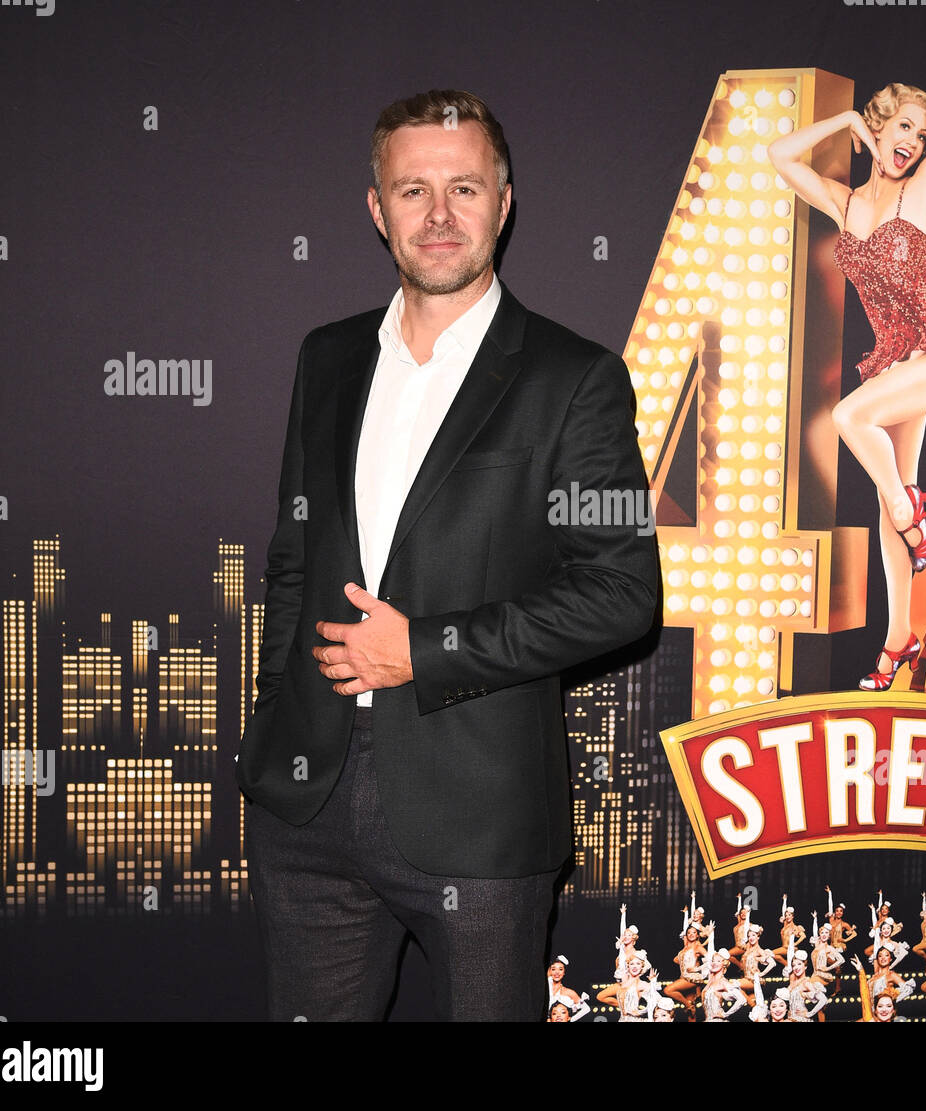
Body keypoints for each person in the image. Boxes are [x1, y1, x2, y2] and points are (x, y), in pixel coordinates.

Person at [237, 88, 661, 1022]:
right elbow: (291, 560)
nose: (438, 215)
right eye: (413, 189)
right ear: (377, 208)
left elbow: (623, 592)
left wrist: (424, 650)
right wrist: (271, 726)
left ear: (503, 204)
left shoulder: (574, 376)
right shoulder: (328, 356)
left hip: (481, 820)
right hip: (303, 806)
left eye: (463, 188)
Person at [767, 0, 926, 689]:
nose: (912, 139)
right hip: (892, 362)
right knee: (887, 496)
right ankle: (899, 638)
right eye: (901, 126)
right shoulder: (844, 203)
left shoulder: (923, 189)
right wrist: (845, 121)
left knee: (848, 418)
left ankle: (915, 519)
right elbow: (777, 155)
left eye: (921, 131)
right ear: (878, 130)